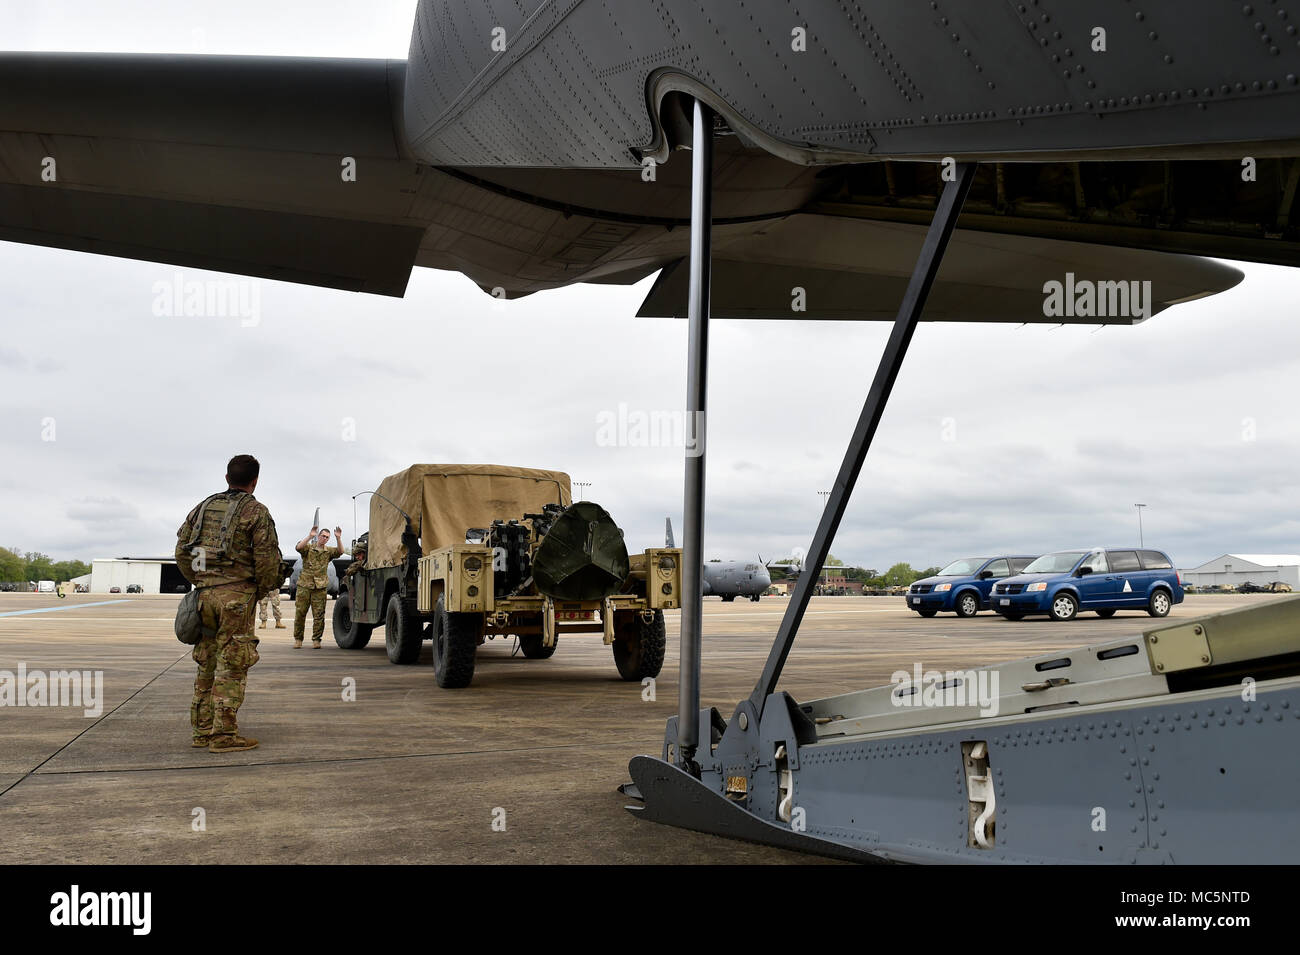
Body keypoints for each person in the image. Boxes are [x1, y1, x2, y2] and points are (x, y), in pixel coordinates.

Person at [175, 454, 281, 753]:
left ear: (226, 478)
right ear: (255, 481)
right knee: (233, 663)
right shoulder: (256, 511)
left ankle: (202, 731)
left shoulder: (202, 507)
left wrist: (201, 581)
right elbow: (267, 560)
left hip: (205, 597)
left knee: (207, 661)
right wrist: (259, 589)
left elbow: (182, 551)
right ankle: (223, 735)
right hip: (236, 598)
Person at [294, 525, 341, 649]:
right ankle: (298, 639)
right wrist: (310, 536)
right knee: (300, 613)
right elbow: (299, 547)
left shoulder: (328, 551)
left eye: (327, 537)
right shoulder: (308, 548)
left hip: (320, 588)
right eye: (323, 536)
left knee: (319, 615)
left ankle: (316, 639)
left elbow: (340, 552)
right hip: (305, 586)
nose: (324, 539)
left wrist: (338, 538)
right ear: (319, 536)